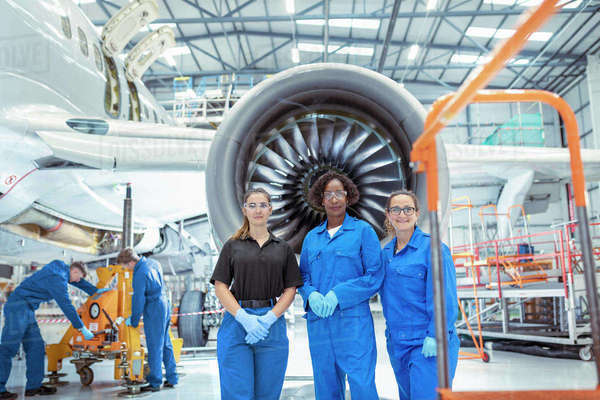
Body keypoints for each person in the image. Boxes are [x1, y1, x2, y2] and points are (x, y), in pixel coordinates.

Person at [211, 187, 303, 400]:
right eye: (252, 205)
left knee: (268, 393)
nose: (258, 210)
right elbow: (221, 286)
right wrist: (243, 317)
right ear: (244, 210)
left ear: (270, 209)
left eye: (263, 205)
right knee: (238, 393)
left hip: (272, 324)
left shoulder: (283, 248)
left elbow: (291, 289)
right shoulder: (232, 246)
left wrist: (270, 317)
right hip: (236, 323)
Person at [298, 171, 384, 400]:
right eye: (329, 194)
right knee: (325, 388)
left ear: (348, 197)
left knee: (362, 386)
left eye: (339, 193)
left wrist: (338, 294)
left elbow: (375, 275)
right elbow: (302, 276)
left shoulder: (363, 232)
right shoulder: (311, 238)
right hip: (319, 325)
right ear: (321, 199)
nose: (334, 199)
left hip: (353, 325)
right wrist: (311, 295)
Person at [379, 190, 459, 400]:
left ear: (417, 213)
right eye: (396, 209)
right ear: (388, 214)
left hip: (427, 343)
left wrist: (435, 335)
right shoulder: (385, 254)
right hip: (397, 343)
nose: (402, 214)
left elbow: (446, 299)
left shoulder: (434, 249)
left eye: (408, 209)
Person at [0, 260, 109, 399]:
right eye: (79, 276)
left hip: (28, 309)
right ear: (74, 271)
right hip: (17, 308)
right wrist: (81, 328)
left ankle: (33, 386)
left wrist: (94, 291)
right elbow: (66, 305)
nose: (78, 280)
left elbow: (76, 281)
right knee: (9, 348)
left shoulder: (61, 268)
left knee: (36, 347)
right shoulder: (57, 280)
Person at [119, 248, 178, 392]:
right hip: (164, 303)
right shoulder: (153, 262)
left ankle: (155, 382)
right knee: (165, 343)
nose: (126, 269)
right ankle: (172, 377)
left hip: (154, 308)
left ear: (131, 262)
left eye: (126, 266)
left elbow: (138, 299)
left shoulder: (139, 274)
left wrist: (133, 320)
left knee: (154, 345)